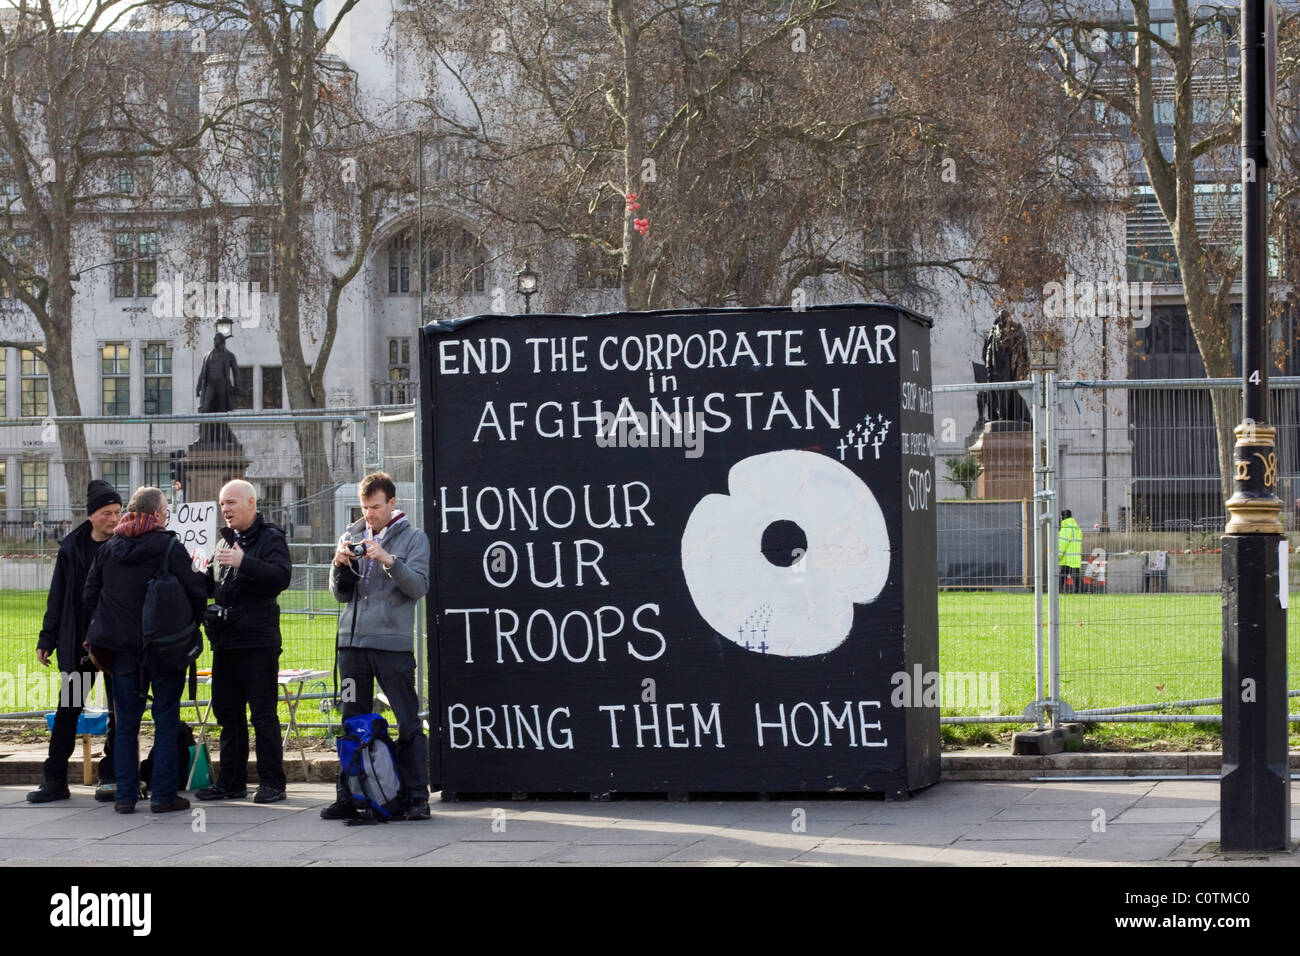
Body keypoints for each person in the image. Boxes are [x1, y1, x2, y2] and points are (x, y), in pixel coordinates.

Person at [84, 487, 207, 814]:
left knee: (126, 722)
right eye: (165, 512)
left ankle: (125, 796)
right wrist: (187, 625)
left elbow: (89, 595)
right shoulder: (169, 546)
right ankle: (164, 795)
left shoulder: (109, 549)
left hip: (122, 651)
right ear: (155, 515)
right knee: (165, 719)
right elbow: (197, 591)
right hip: (165, 650)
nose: (167, 517)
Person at [321, 472, 431, 821]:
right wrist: (340, 566)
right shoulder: (352, 534)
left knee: (407, 720)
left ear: (392, 503)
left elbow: (417, 587)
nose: (369, 514)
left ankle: (417, 797)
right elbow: (339, 594)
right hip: (352, 645)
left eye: (375, 507)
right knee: (351, 720)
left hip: (392, 647)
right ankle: (349, 794)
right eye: (365, 507)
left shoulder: (414, 539)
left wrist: (388, 560)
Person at [196, 479, 292, 804]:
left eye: (232, 503)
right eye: (222, 504)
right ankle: (231, 782)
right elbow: (210, 583)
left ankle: (272, 783)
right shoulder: (225, 542)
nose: (226, 509)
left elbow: (281, 577)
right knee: (228, 714)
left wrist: (244, 563)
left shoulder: (271, 538)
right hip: (226, 642)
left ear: (251, 504)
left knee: (263, 714)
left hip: (258, 642)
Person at [27, 480, 122, 804]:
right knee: (68, 709)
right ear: (92, 516)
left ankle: (110, 776)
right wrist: (47, 637)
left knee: (118, 712)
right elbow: (58, 598)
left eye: (118, 512)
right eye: (107, 513)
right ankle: (54, 780)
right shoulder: (71, 548)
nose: (114, 519)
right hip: (78, 645)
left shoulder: (125, 544)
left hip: (114, 644)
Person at [1058, 508, 1083, 594]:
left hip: (1067, 556)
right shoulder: (1076, 528)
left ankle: (1058, 590)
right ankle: (1078, 590)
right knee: (1076, 574)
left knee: (1063, 573)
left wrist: (1058, 555)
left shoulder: (1066, 528)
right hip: (1076, 556)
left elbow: (1063, 543)